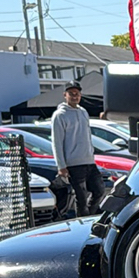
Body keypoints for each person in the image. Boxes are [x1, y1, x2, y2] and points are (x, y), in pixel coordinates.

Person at [51, 82, 102, 216]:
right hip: (73, 164)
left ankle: (89, 217)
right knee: (81, 198)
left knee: (99, 191)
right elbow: (57, 142)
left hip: (89, 162)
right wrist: (61, 166)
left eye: (77, 94)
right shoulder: (59, 115)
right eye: (71, 94)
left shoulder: (83, 112)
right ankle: (83, 224)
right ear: (65, 95)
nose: (74, 96)